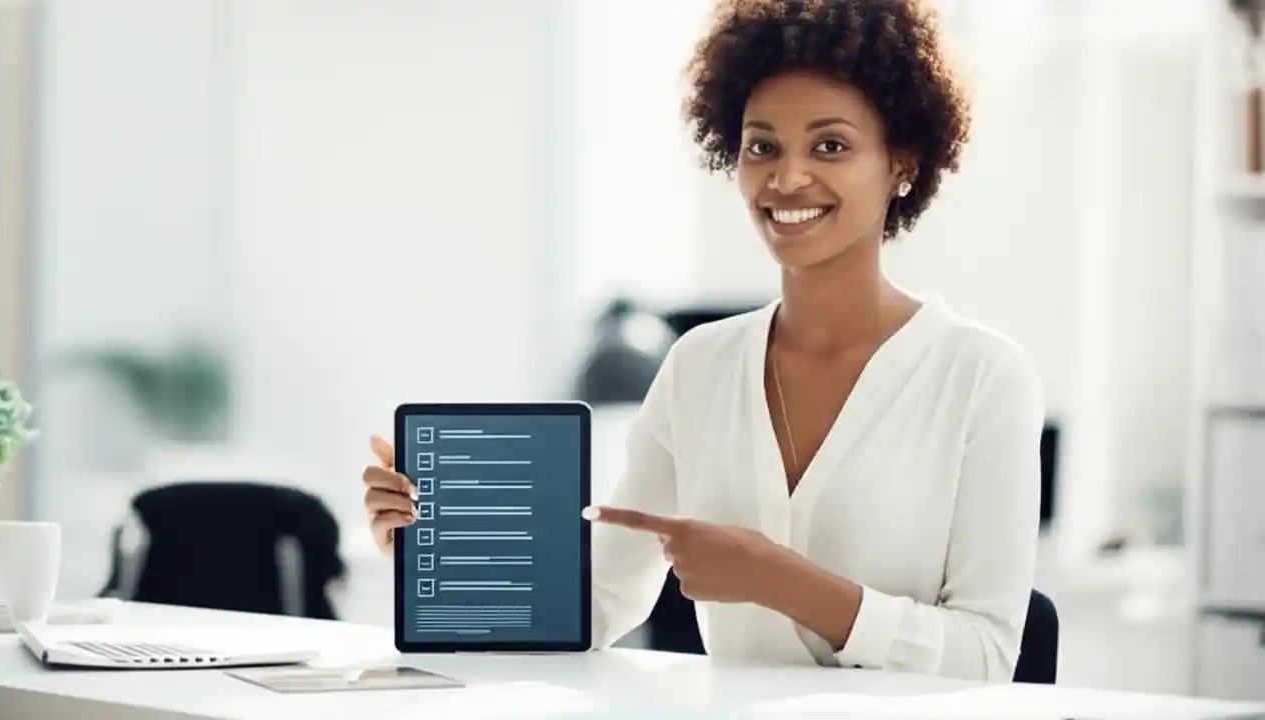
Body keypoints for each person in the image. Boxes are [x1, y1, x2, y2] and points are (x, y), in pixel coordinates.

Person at [364, 0, 1042, 683]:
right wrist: (440, 553)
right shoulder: (701, 366)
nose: (786, 178)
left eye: (830, 145)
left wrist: (779, 579)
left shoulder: (982, 376)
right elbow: (591, 606)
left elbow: (986, 658)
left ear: (903, 163)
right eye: (762, 146)